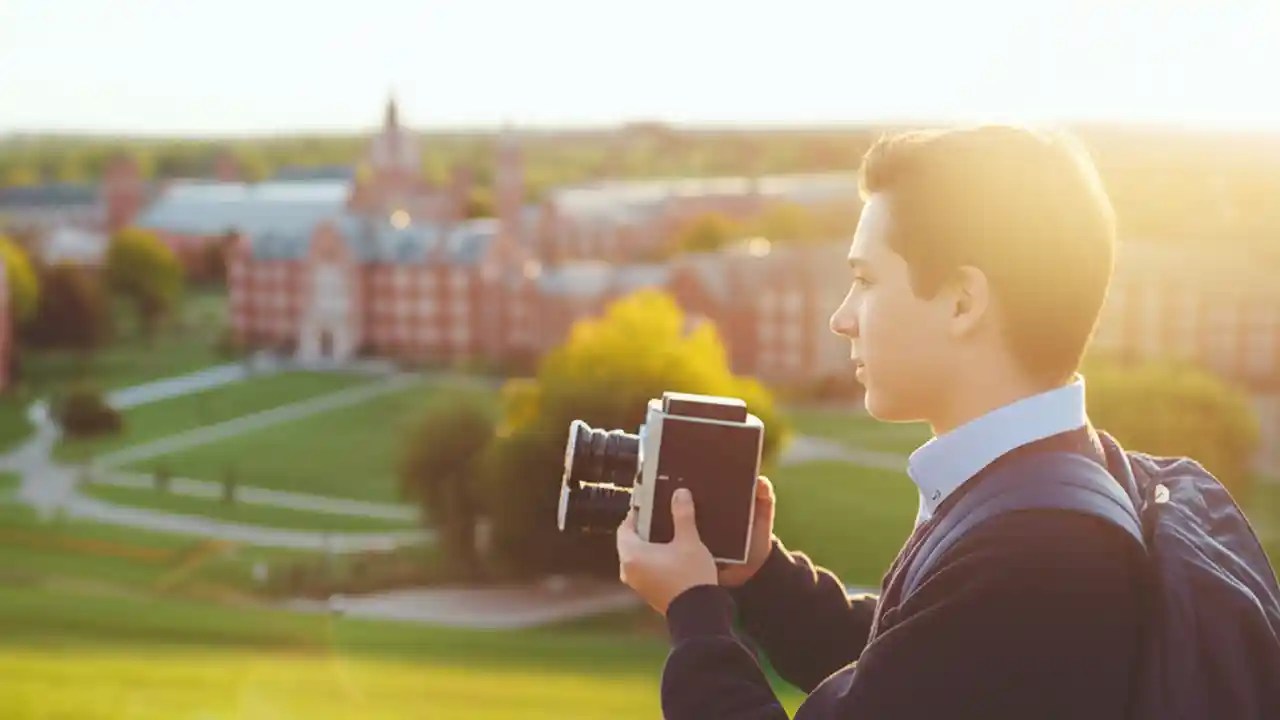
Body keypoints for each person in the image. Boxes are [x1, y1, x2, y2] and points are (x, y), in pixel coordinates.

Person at [616, 125, 1144, 719]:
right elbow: (911, 673)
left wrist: (693, 612)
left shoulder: (1036, 551)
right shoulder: (1051, 480)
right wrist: (762, 577)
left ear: (962, 303)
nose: (842, 318)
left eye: (865, 280)